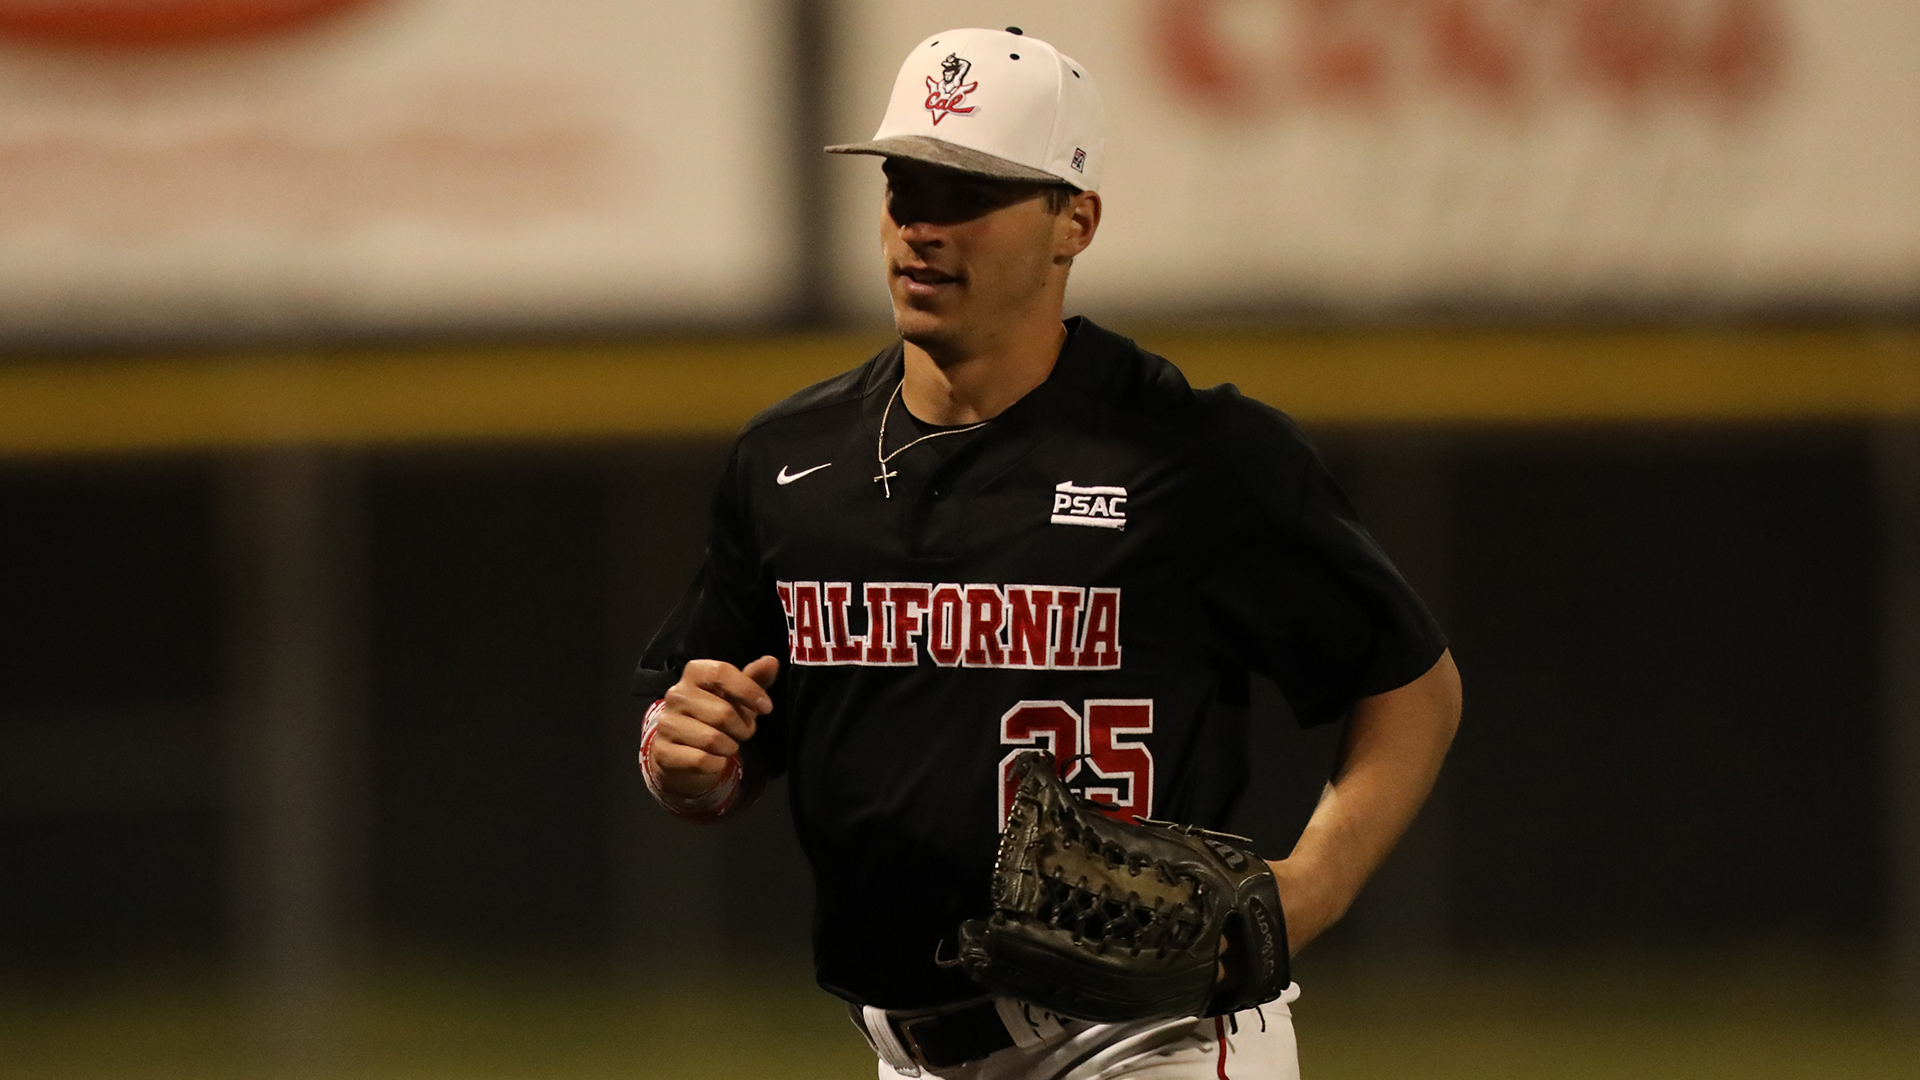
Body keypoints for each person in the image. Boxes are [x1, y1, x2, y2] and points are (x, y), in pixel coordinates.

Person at [635, 26, 1462, 1080]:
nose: (922, 227)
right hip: (909, 1056)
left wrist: (1311, 889)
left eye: (969, 196)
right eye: (904, 188)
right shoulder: (792, 461)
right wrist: (685, 762)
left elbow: (1412, 685)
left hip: (1146, 1038)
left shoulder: (1195, 456)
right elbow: (703, 730)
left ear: (1076, 221)